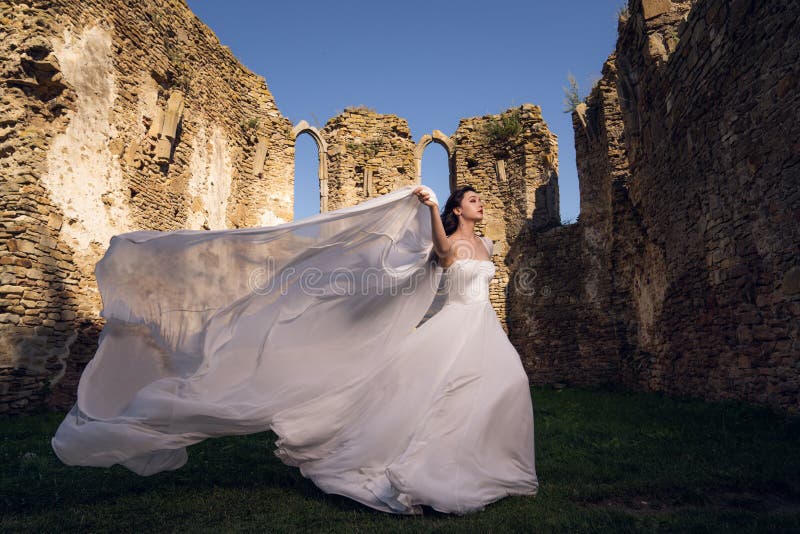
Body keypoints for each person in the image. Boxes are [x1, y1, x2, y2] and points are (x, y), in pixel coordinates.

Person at [51, 183, 538, 515]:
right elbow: (436, 249)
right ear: (457, 209)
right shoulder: (448, 245)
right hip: (454, 323)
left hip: (483, 325)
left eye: (479, 199)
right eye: (472, 199)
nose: (480, 203)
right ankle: (432, 467)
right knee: (443, 392)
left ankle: (484, 459)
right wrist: (431, 207)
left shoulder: (490, 249)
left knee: (505, 383)